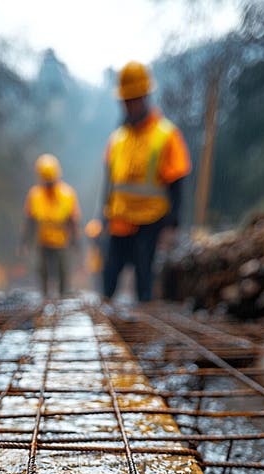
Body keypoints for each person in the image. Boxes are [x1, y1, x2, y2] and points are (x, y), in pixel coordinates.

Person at [102, 61, 191, 303]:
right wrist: (104, 216)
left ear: (145, 96)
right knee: (107, 282)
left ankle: (143, 337)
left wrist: (173, 222)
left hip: (150, 220)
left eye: (135, 99)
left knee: (144, 282)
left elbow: (177, 181)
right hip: (120, 219)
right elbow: (109, 182)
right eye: (126, 101)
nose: (130, 106)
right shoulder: (117, 138)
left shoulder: (166, 134)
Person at [21, 154, 81, 298]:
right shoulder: (35, 195)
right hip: (43, 242)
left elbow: (73, 221)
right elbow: (29, 220)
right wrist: (24, 242)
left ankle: (63, 300)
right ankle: (44, 301)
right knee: (43, 273)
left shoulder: (67, 194)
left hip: (61, 242)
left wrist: (75, 242)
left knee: (63, 275)